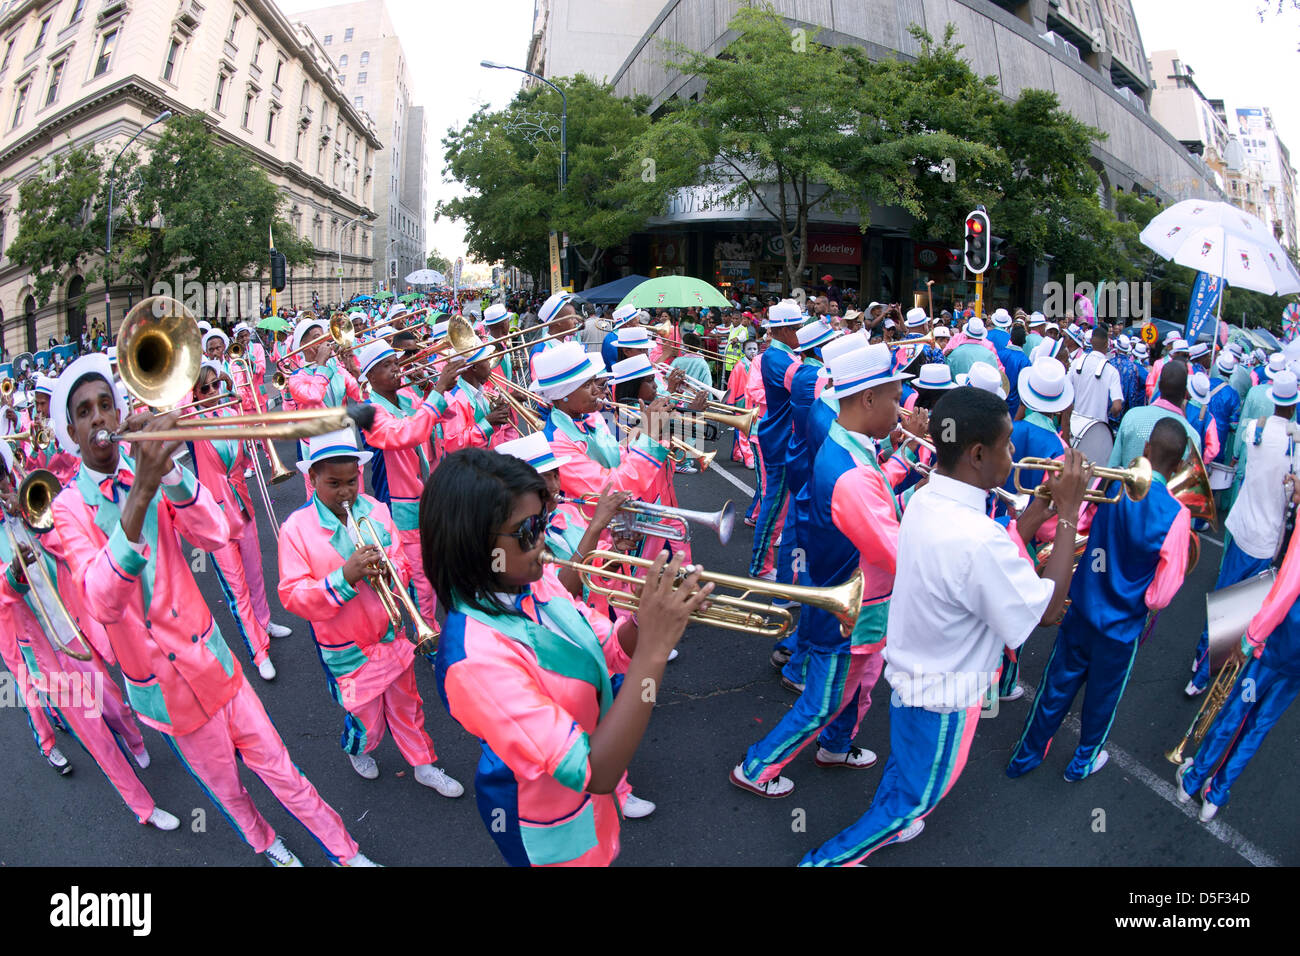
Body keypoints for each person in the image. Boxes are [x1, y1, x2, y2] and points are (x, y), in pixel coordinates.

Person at [49, 355, 376, 866]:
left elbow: (214, 532)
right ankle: (268, 844)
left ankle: (345, 852)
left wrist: (171, 470)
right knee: (229, 791)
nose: (99, 419)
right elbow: (101, 601)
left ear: (118, 414)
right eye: (85, 412)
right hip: (164, 692)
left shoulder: (150, 471)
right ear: (71, 430)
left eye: (106, 406)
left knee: (283, 771)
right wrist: (141, 490)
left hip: (214, 663)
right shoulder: (69, 508)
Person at [798, 388, 1086, 866]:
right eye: (1007, 444)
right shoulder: (977, 538)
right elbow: (1050, 609)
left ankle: (890, 808)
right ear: (977, 454)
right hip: (947, 698)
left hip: (915, 678)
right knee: (913, 802)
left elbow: (990, 559)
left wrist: (1038, 512)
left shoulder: (930, 497)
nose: (1013, 455)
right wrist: (1072, 515)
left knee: (904, 775)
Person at [424, 448, 710, 865]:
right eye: (526, 532)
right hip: (545, 817)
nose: (542, 538)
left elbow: (609, 648)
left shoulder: (533, 584)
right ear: (473, 543)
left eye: (542, 521)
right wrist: (655, 649)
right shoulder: (474, 659)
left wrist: (644, 621)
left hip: (590, 801)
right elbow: (597, 771)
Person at [734, 343, 924, 799]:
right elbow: (897, 549)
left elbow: (875, 495)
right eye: (896, 398)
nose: (901, 410)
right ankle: (757, 766)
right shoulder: (850, 469)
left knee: (860, 685)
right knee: (824, 701)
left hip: (862, 602)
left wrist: (908, 467)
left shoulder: (847, 442)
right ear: (868, 400)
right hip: (848, 608)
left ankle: (836, 747)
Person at [278, 429, 463, 797]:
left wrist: (390, 567)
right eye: (333, 483)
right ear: (312, 478)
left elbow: (403, 564)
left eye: (351, 481)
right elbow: (293, 596)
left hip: (390, 636)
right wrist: (344, 577)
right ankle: (357, 749)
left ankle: (423, 763)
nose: (346, 492)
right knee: (367, 719)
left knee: (408, 705)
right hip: (346, 648)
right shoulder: (295, 529)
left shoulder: (375, 511)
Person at [1007, 418, 1191, 780]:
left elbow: (1082, 524)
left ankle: (1025, 758)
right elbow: (1161, 596)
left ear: (1146, 452)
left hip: (1081, 610)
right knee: (1102, 701)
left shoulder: (1114, 483)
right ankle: (1081, 764)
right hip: (1120, 630)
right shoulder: (1178, 516)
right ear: (1180, 464)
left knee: (1054, 688)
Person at [1176, 473, 1300, 821]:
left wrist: (1252, 637)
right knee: (1262, 723)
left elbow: (1288, 587)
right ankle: (1217, 792)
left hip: (1278, 640)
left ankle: (1194, 778)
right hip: (1296, 660)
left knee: (1237, 706)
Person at [1187, 371, 1300, 696]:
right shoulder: (1295, 442)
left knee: (1222, 596)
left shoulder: (1256, 429)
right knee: (1238, 612)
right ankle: (1201, 678)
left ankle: (1200, 658)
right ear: (1293, 404)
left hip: (1240, 527)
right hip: (1266, 541)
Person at [185, 362, 291, 682]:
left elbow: (242, 460)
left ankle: (265, 621)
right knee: (237, 589)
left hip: (242, 507)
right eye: (206, 388)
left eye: (217, 385)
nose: (214, 392)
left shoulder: (228, 413)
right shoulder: (191, 423)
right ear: (193, 393)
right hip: (214, 519)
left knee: (256, 573)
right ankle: (259, 651)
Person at [749, 299, 804, 582]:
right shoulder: (775, 358)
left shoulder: (785, 355)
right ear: (783, 331)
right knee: (775, 507)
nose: (801, 333)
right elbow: (806, 384)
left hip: (786, 437)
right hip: (781, 440)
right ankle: (760, 564)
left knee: (784, 507)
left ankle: (776, 566)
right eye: (797, 328)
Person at [1109, 362, 1209, 468]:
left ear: (1159, 386)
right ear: (1186, 393)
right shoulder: (1192, 438)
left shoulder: (1131, 417)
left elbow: (1112, 467)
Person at [1069, 326, 1123, 425]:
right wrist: (1110, 413)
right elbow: (1117, 407)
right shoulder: (1112, 371)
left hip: (1075, 423)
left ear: (1091, 342)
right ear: (1107, 344)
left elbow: (1065, 389)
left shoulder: (1076, 363)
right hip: (1098, 428)